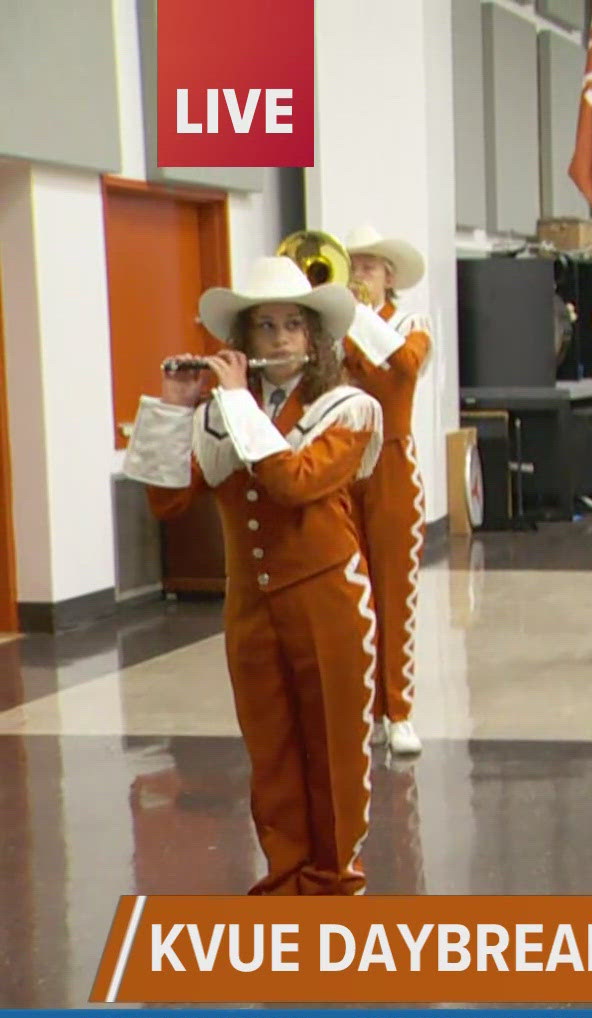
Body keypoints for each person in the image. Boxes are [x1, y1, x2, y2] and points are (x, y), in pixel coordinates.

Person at [123, 256, 382, 895]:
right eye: (264, 327)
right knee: (272, 751)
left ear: (315, 338)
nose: (279, 339)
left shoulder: (350, 407)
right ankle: (287, 873)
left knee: (333, 748)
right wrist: (176, 407)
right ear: (244, 341)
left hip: (327, 596)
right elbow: (166, 501)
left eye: (293, 324)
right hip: (250, 605)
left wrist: (236, 400)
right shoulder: (221, 412)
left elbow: (291, 482)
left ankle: (334, 878)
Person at [338, 226, 432, 757]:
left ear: (389, 277)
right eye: (351, 267)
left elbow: (405, 368)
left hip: (392, 462)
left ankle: (398, 710)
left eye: (368, 268)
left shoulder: (411, 322)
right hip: (342, 462)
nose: (357, 277)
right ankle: (362, 708)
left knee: (395, 592)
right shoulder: (335, 327)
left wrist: (360, 316)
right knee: (351, 596)